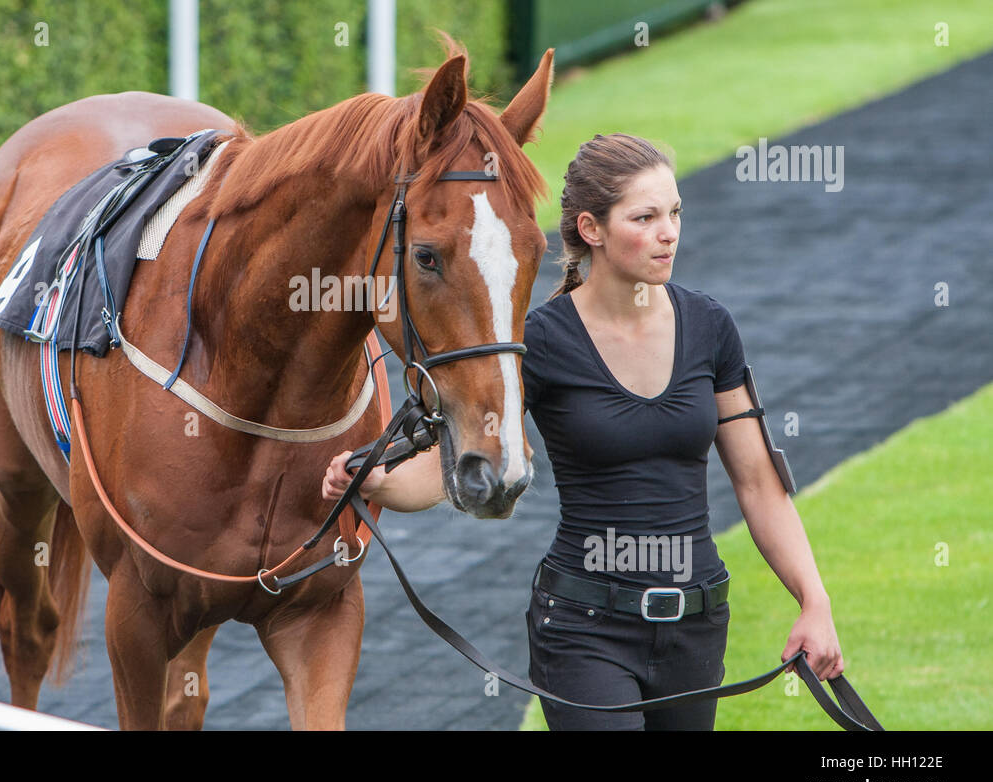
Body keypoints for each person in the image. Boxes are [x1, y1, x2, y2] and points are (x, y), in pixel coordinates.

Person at [320, 132, 844, 730]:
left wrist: (814, 601)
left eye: (674, 213)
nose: (668, 232)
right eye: (644, 217)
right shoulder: (539, 340)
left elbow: (757, 482)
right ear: (591, 229)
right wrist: (374, 483)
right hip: (583, 626)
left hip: (696, 627)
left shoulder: (711, 327)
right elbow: (463, 459)